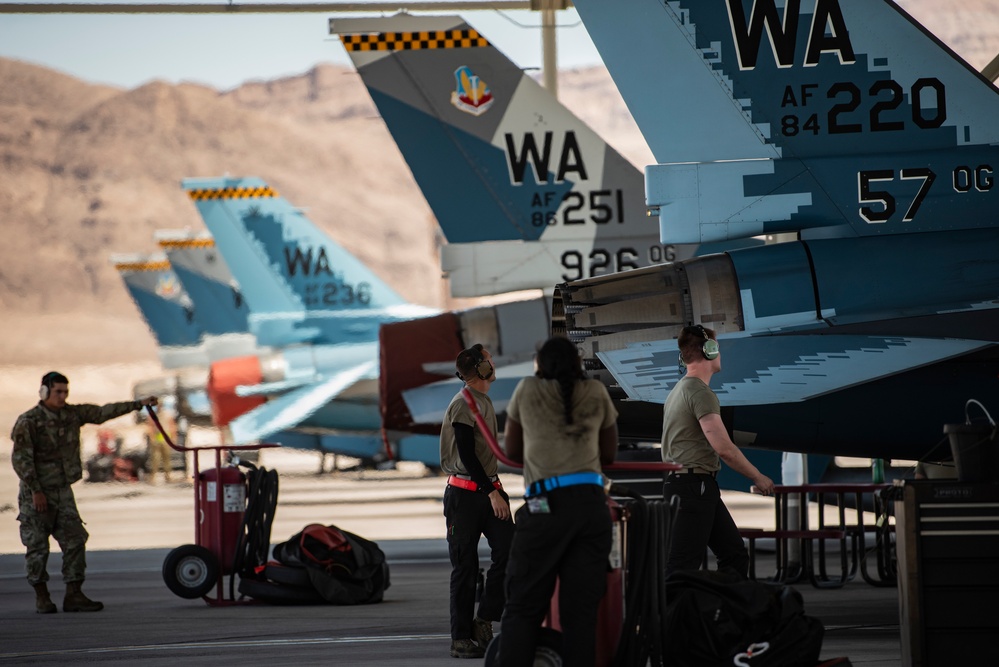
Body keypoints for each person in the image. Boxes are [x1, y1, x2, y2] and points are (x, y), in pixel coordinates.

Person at [498, 336, 618, 667]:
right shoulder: (595, 392)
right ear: (578, 363)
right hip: (591, 507)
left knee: (523, 606)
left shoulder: (527, 389)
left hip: (545, 506)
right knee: (580, 615)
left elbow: (511, 451)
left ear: (540, 364)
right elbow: (608, 453)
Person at [11, 371, 158, 613]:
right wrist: (35, 490)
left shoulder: (71, 414)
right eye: (57, 392)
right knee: (37, 546)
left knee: (76, 540)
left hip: (62, 491)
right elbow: (21, 460)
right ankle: (42, 596)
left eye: (65, 392)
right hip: (36, 493)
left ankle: (74, 594)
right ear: (44, 392)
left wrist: (137, 405)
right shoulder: (29, 422)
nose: (62, 396)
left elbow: (102, 413)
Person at [662, 325, 775, 579]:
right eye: (717, 348)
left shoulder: (678, 390)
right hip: (694, 487)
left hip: (694, 486)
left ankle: (722, 614)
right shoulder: (700, 393)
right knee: (681, 566)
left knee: (734, 555)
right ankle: (666, 617)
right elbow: (723, 448)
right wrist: (757, 476)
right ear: (710, 351)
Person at [439, 344, 514, 659]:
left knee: (510, 553)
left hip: (486, 490)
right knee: (465, 567)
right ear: (482, 371)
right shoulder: (463, 404)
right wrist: (492, 492)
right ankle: (460, 639)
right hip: (467, 496)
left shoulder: (480, 400)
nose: (494, 364)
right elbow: (467, 455)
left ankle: (484, 619)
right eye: (489, 361)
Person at [145, 404, 176, 484]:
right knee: (155, 459)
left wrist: (173, 437)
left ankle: (168, 475)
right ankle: (153, 476)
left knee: (167, 459)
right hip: (157, 440)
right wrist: (152, 437)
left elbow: (172, 425)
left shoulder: (167, 414)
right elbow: (150, 426)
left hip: (166, 439)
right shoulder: (153, 415)